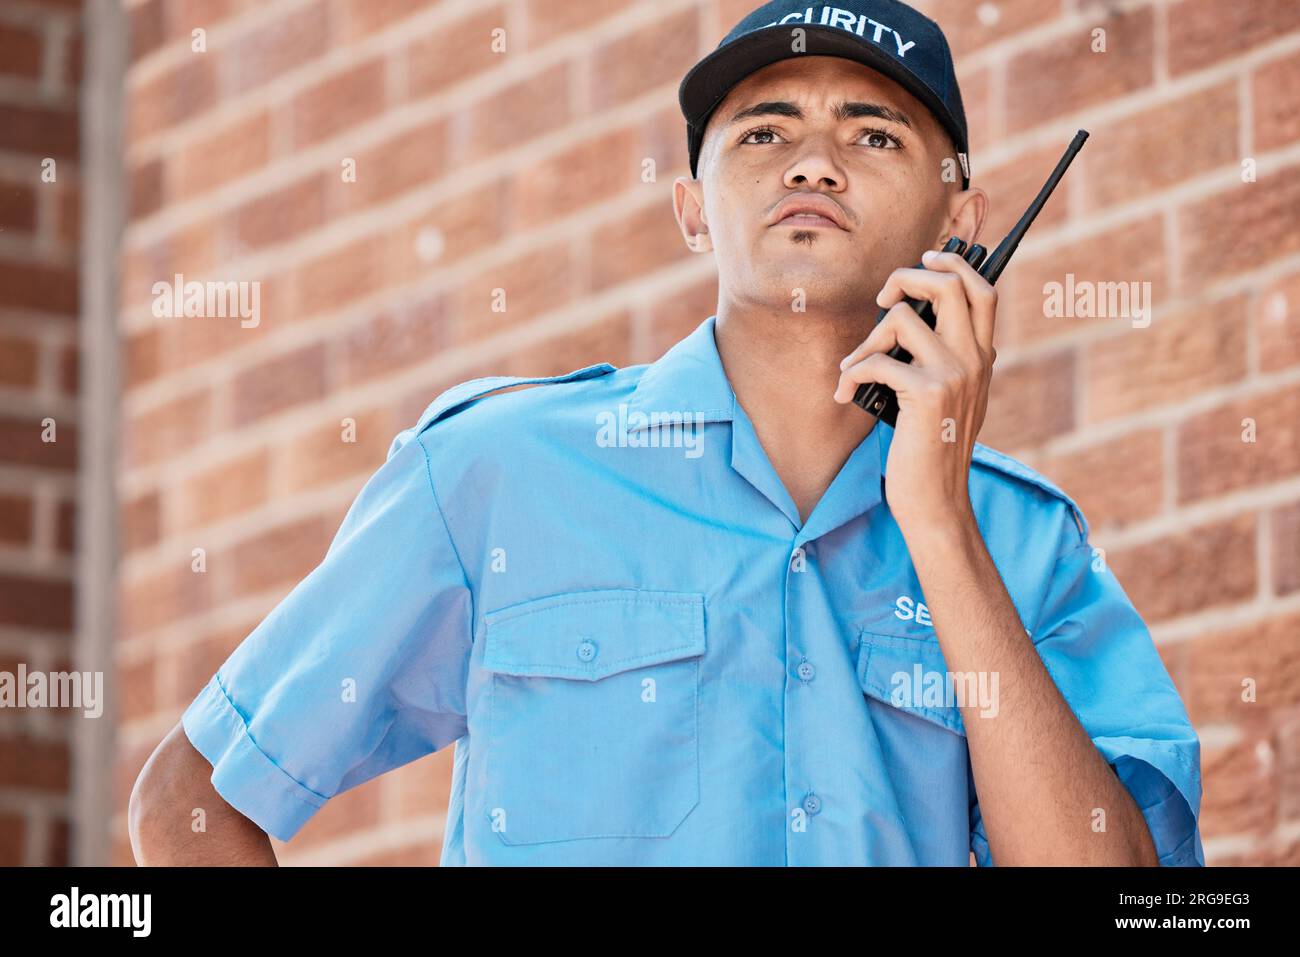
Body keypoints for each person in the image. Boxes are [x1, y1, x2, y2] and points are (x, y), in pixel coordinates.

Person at [129, 0, 1203, 866]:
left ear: (959, 225)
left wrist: (935, 520)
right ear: (692, 209)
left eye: (873, 134)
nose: (813, 165)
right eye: (764, 131)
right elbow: (190, 802)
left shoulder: (1026, 545)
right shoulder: (500, 474)